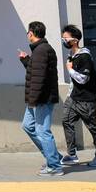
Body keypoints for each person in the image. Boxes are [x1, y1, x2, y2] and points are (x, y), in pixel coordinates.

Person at [17, 20, 64, 176]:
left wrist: (34, 100)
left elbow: (39, 78)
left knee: (43, 131)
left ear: (31, 33)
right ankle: (54, 156)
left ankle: (55, 166)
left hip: (41, 98)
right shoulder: (41, 50)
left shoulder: (41, 50)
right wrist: (25, 60)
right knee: (27, 126)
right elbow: (36, 71)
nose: (27, 35)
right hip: (38, 97)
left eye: (27, 32)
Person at [60, 25, 96, 168]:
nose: (63, 40)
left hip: (87, 100)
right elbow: (74, 83)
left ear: (74, 40)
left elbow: (83, 79)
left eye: (65, 37)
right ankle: (72, 154)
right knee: (66, 120)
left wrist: (69, 69)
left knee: (92, 127)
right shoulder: (72, 56)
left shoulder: (85, 56)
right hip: (74, 98)